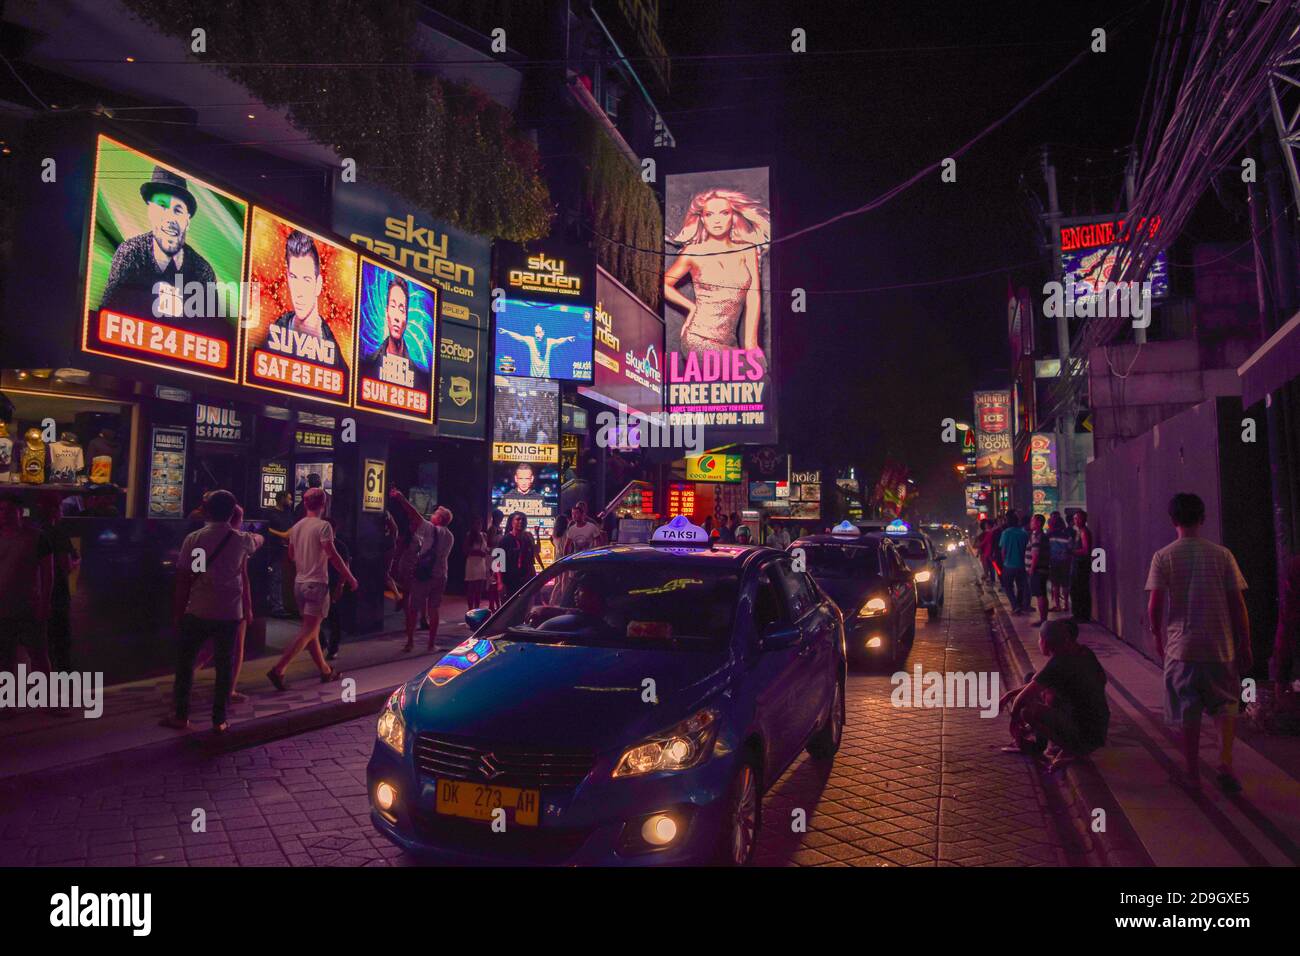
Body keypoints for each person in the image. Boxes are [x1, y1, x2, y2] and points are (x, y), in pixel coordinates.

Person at [1146, 492, 1250, 793]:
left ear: (1172, 520)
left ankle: (1192, 774)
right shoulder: (1222, 555)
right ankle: (1226, 764)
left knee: (1187, 711)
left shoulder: (1163, 556)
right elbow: (1237, 604)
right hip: (1221, 648)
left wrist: (1157, 635)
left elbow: (1155, 606)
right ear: (1202, 519)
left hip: (1183, 650)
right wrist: (1245, 643)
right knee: (1226, 707)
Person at [164, 491, 262, 733]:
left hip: (198, 609)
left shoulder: (194, 539)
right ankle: (219, 719)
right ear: (231, 513)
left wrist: (178, 612)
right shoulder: (240, 540)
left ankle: (181, 715)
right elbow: (259, 540)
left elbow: (186, 579)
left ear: (207, 511)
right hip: (229, 612)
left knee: (185, 664)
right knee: (224, 666)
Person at [99, 167, 221, 338]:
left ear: (187, 221)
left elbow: (212, 335)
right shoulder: (130, 253)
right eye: (162, 206)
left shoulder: (203, 271)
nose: (170, 218)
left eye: (178, 210)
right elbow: (105, 322)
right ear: (150, 211)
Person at [663, 188, 771, 370]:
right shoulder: (693, 252)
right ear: (703, 219)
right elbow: (664, 284)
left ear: (732, 216)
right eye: (710, 214)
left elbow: (753, 298)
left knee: (760, 381)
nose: (717, 220)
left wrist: (751, 345)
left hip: (730, 343)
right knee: (757, 378)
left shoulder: (747, 249)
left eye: (724, 213)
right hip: (699, 339)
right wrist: (691, 307)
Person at [267, 487, 355, 690]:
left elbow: (290, 555)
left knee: (312, 632)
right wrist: (349, 577)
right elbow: (333, 555)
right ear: (324, 504)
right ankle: (279, 669)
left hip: (299, 583)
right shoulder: (324, 527)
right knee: (308, 631)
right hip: (316, 584)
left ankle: (325, 671)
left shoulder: (297, 526)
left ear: (305, 504)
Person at [1006, 618, 1109, 771]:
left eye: (1040, 638)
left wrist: (1013, 723)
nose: (1039, 641)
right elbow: (1102, 679)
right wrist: (1009, 695)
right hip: (1099, 728)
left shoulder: (1059, 664)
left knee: (1028, 711)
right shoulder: (1084, 652)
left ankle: (1070, 749)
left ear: (1046, 643)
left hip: (1086, 735)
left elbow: (1023, 697)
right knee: (1036, 682)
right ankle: (1047, 741)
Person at [194, 502, 256, 702]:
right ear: (236, 519)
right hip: (232, 603)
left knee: (208, 648)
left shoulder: (200, 538)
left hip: (206, 601)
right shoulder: (240, 542)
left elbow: (192, 572)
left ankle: (185, 680)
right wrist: (248, 606)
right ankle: (229, 690)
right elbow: (244, 577)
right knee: (237, 648)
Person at [267, 230, 343, 369]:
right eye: (294, 277)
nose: (299, 292)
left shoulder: (334, 355)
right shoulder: (275, 332)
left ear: (318, 284)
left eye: (306, 280)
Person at [391, 488, 453, 653]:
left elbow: (413, 514)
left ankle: (410, 642)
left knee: (412, 609)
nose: (431, 515)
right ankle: (431, 644)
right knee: (434, 609)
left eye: (435, 514)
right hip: (441, 575)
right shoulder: (449, 536)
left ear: (439, 518)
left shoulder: (430, 529)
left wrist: (401, 497)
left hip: (424, 575)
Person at [0, 491, 53, 680]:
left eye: (9, 510)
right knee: (4, 659)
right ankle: (6, 704)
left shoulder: (37, 538)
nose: (4, 514)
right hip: (2, 609)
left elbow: (48, 574)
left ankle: (49, 700)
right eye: (1, 510)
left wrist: (45, 604)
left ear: (20, 512)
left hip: (29, 607)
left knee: (38, 655)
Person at [36, 492, 78, 671]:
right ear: (55, 509)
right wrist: (77, 560)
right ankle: (62, 681)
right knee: (60, 640)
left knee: (42, 641)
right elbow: (66, 566)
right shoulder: (59, 533)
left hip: (36, 593)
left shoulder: (34, 531)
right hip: (58, 594)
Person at [321, 518, 351, 661]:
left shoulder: (339, 546)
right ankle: (323, 644)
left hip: (333, 584)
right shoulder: (324, 544)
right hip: (322, 583)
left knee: (334, 618)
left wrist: (341, 585)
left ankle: (333, 648)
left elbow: (345, 566)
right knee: (320, 618)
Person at [498, 323, 576, 378]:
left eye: (539, 332)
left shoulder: (549, 342)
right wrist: (507, 332)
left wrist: (567, 338)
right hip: (533, 378)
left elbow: (559, 340)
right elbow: (519, 337)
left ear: (543, 332)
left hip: (547, 378)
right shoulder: (531, 340)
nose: (538, 335)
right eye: (536, 333)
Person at [264, 490, 294, 617]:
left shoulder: (288, 513)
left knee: (281, 577)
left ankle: (278, 604)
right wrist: (282, 535)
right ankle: (276, 606)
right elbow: (266, 529)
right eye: (289, 498)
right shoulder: (270, 513)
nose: (291, 501)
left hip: (286, 548)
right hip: (274, 548)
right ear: (282, 499)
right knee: (276, 577)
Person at [501, 511, 539, 598]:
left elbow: (531, 559)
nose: (521, 522)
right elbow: (498, 562)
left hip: (525, 579)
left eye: (523, 520)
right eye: (518, 519)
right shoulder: (505, 540)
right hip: (509, 580)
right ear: (512, 522)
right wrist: (500, 582)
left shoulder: (527, 539)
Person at [999, 511, 1029, 614]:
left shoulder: (1006, 533)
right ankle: (1019, 605)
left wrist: (1003, 563)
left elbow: (1003, 551)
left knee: (1008, 586)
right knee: (1021, 586)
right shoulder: (1024, 533)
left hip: (1009, 565)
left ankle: (1015, 605)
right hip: (1022, 565)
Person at [1070, 511, 1093, 623]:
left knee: (1080, 589)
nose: (1076, 521)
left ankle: (1082, 615)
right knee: (1076, 589)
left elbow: (1086, 549)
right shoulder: (1078, 532)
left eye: (1078, 518)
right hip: (1077, 564)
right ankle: (1077, 614)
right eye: (1075, 519)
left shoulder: (1084, 532)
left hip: (1081, 565)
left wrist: (1072, 552)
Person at [1047, 512, 1072, 613]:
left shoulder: (1049, 536)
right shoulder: (1067, 536)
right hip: (1065, 562)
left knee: (1055, 584)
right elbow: (1070, 549)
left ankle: (1057, 605)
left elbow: (1046, 549)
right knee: (1065, 584)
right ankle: (1066, 604)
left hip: (1053, 562)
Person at [1027, 513, 1049, 626]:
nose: (1031, 523)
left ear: (1039, 523)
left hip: (1038, 570)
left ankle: (1043, 620)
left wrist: (1032, 568)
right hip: (1041, 569)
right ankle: (1043, 619)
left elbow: (1035, 554)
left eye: (1032, 521)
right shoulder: (1040, 535)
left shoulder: (1037, 535)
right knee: (1042, 594)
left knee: (1040, 594)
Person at [463, 516, 489, 610]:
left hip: (481, 563)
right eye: (476, 524)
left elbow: (486, 548)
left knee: (479, 589)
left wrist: (487, 552)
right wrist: (477, 552)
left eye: (480, 524)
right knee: (471, 588)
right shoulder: (469, 535)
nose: (478, 526)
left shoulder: (484, 535)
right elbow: (465, 550)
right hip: (472, 563)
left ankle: (477, 608)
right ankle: (470, 609)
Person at [485, 509, 506, 612]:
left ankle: (498, 604)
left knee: (499, 581)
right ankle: (491, 605)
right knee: (493, 582)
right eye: (499, 517)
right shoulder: (492, 529)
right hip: (494, 555)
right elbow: (490, 542)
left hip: (499, 554)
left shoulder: (499, 528)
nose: (501, 519)